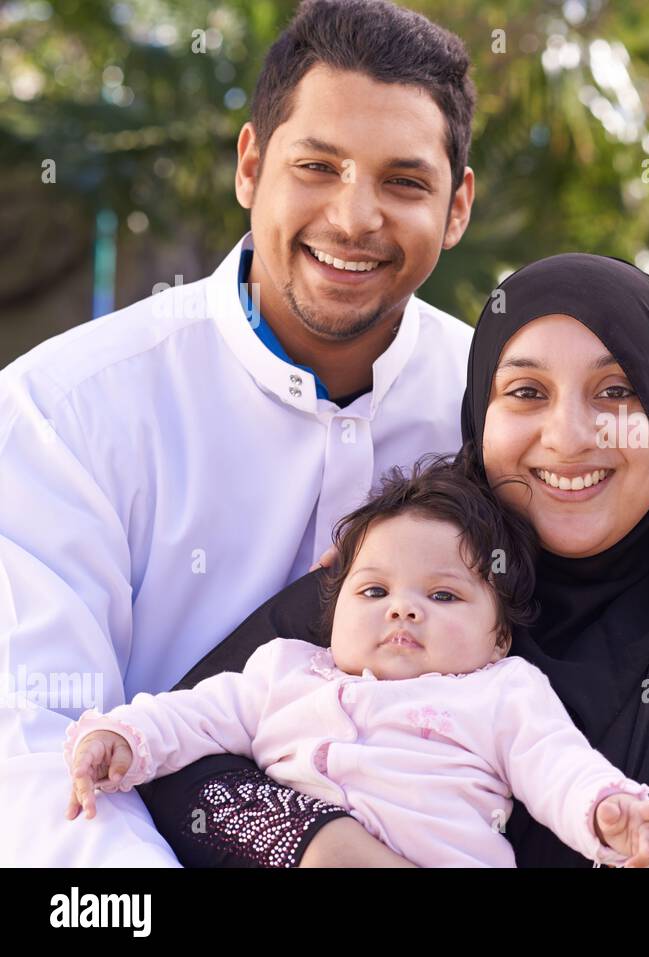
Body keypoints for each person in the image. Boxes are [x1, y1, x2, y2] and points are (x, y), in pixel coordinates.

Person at [140, 253, 649, 867]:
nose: (569, 436)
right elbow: (175, 761)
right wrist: (325, 843)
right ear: (479, 418)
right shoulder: (391, 585)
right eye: (525, 392)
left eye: (617, 390)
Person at [0, 0, 475, 865]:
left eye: (404, 182)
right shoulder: (63, 412)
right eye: (318, 165)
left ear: (457, 207)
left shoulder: (495, 410)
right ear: (251, 166)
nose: (356, 216)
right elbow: (34, 757)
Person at [64, 457, 649, 868]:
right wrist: (119, 736)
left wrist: (605, 808)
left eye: (442, 596)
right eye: (375, 591)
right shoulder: (282, 671)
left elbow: (556, 764)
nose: (403, 611)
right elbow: (191, 716)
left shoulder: (501, 691)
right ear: (332, 611)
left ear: (500, 637)